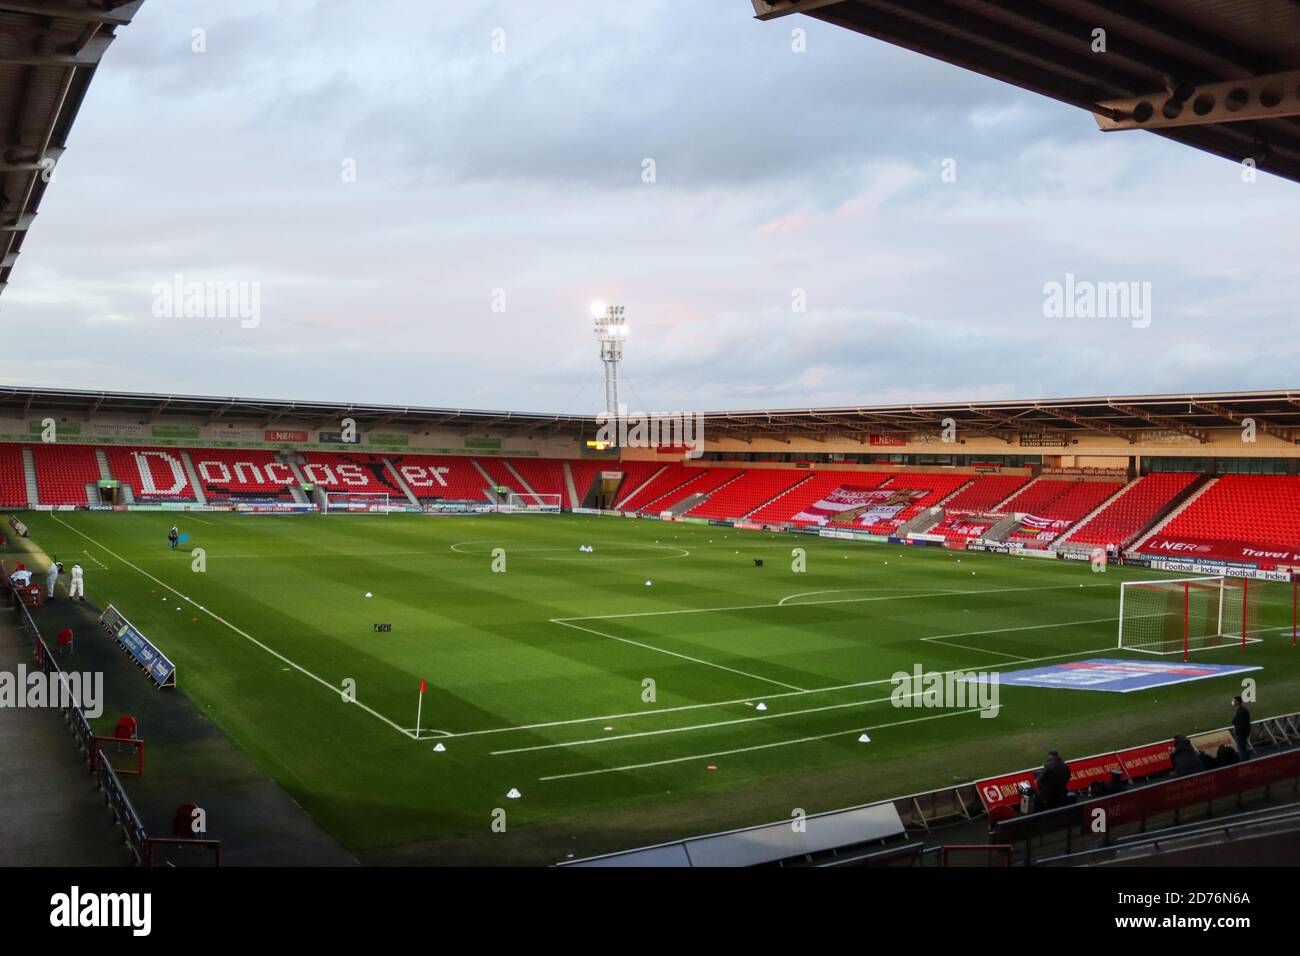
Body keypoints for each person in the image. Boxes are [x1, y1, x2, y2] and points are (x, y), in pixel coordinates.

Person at [1231, 696, 1252, 761]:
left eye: (1234, 701)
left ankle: (1244, 762)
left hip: (1241, 733)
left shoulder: (1241, 711)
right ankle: (1246, 761)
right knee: (1243, 748)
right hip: (1243, 732)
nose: (1233, 702)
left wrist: (1236, 730)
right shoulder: (1242, 710)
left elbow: (1240, 723)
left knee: (1241, 749)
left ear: (1237, 702)